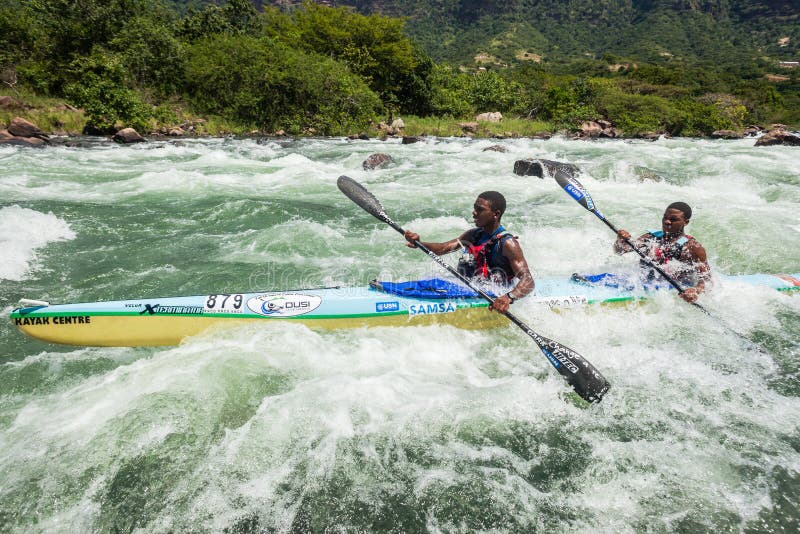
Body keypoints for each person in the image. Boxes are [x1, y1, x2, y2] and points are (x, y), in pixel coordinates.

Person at [403, 191, 534, 314]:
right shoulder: (473, 235)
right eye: (474, 208)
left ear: (496, 214)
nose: (474, 213)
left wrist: (508, 297)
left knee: (433, 285)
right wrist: (420, 243)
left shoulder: (507, 243)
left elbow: (528, 280)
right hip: (470, 289)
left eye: (480, 209)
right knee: (432, 282)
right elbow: (443, 248)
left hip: (494, 294)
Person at [614, 201, 710, 303]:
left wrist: (695, 291)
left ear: (685, 222)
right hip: (645, 285)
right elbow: (619, 251)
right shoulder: (650, 237)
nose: (667, 222)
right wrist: (620, 240)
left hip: (672, 292)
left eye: (673, 219)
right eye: (665, 217)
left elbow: (707, 280)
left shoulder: (693, 247)